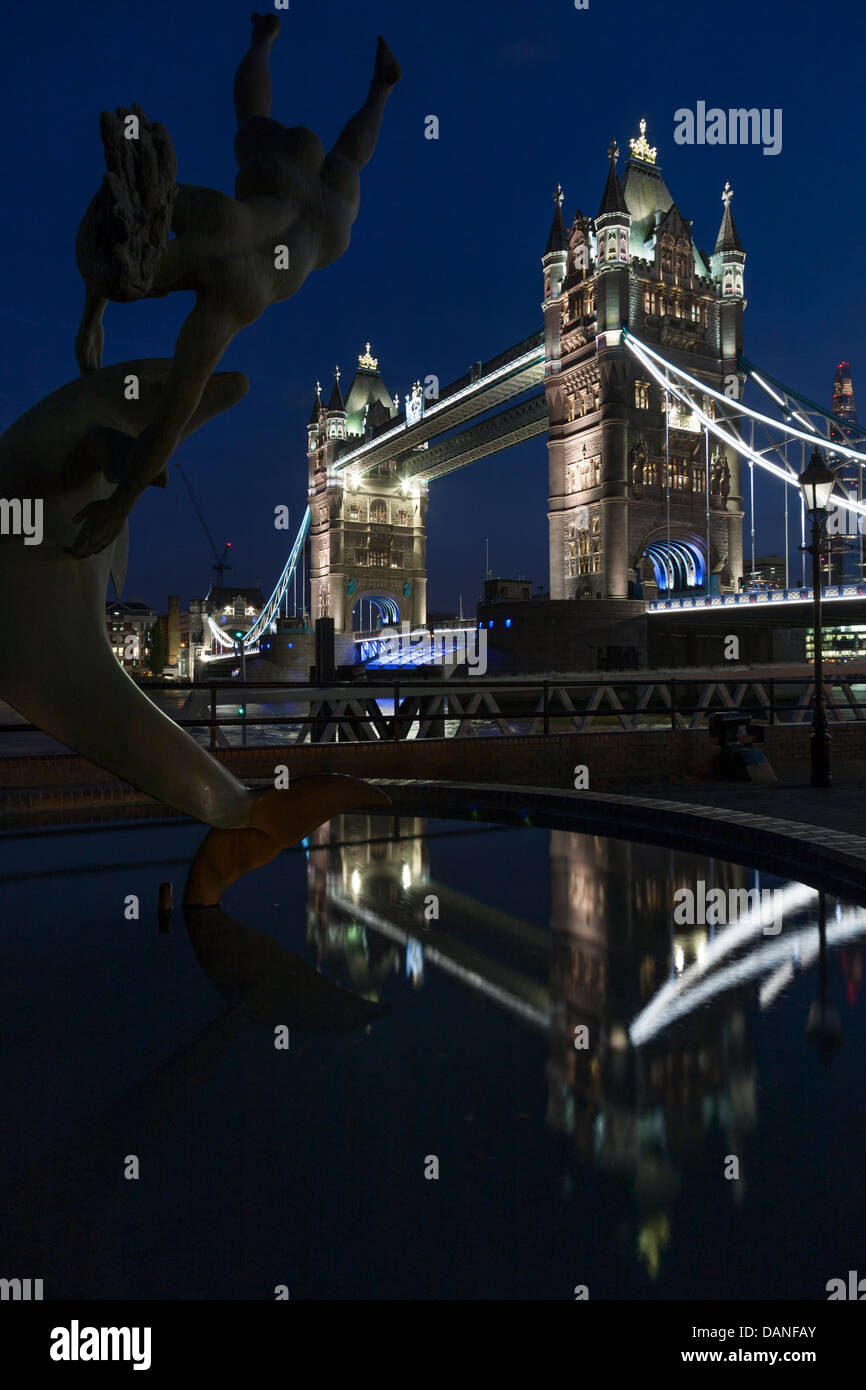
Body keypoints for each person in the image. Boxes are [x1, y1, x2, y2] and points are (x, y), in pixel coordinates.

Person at [70, 13, 401, 557]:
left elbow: (171, 419)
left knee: (344, 159)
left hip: (325, 227)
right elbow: (129, 218)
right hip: (283, 178)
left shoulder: (223, 308)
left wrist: (119, 505)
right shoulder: (208, 215)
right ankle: (268, 41)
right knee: (252, 117)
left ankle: (378, 87)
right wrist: (93, 315)